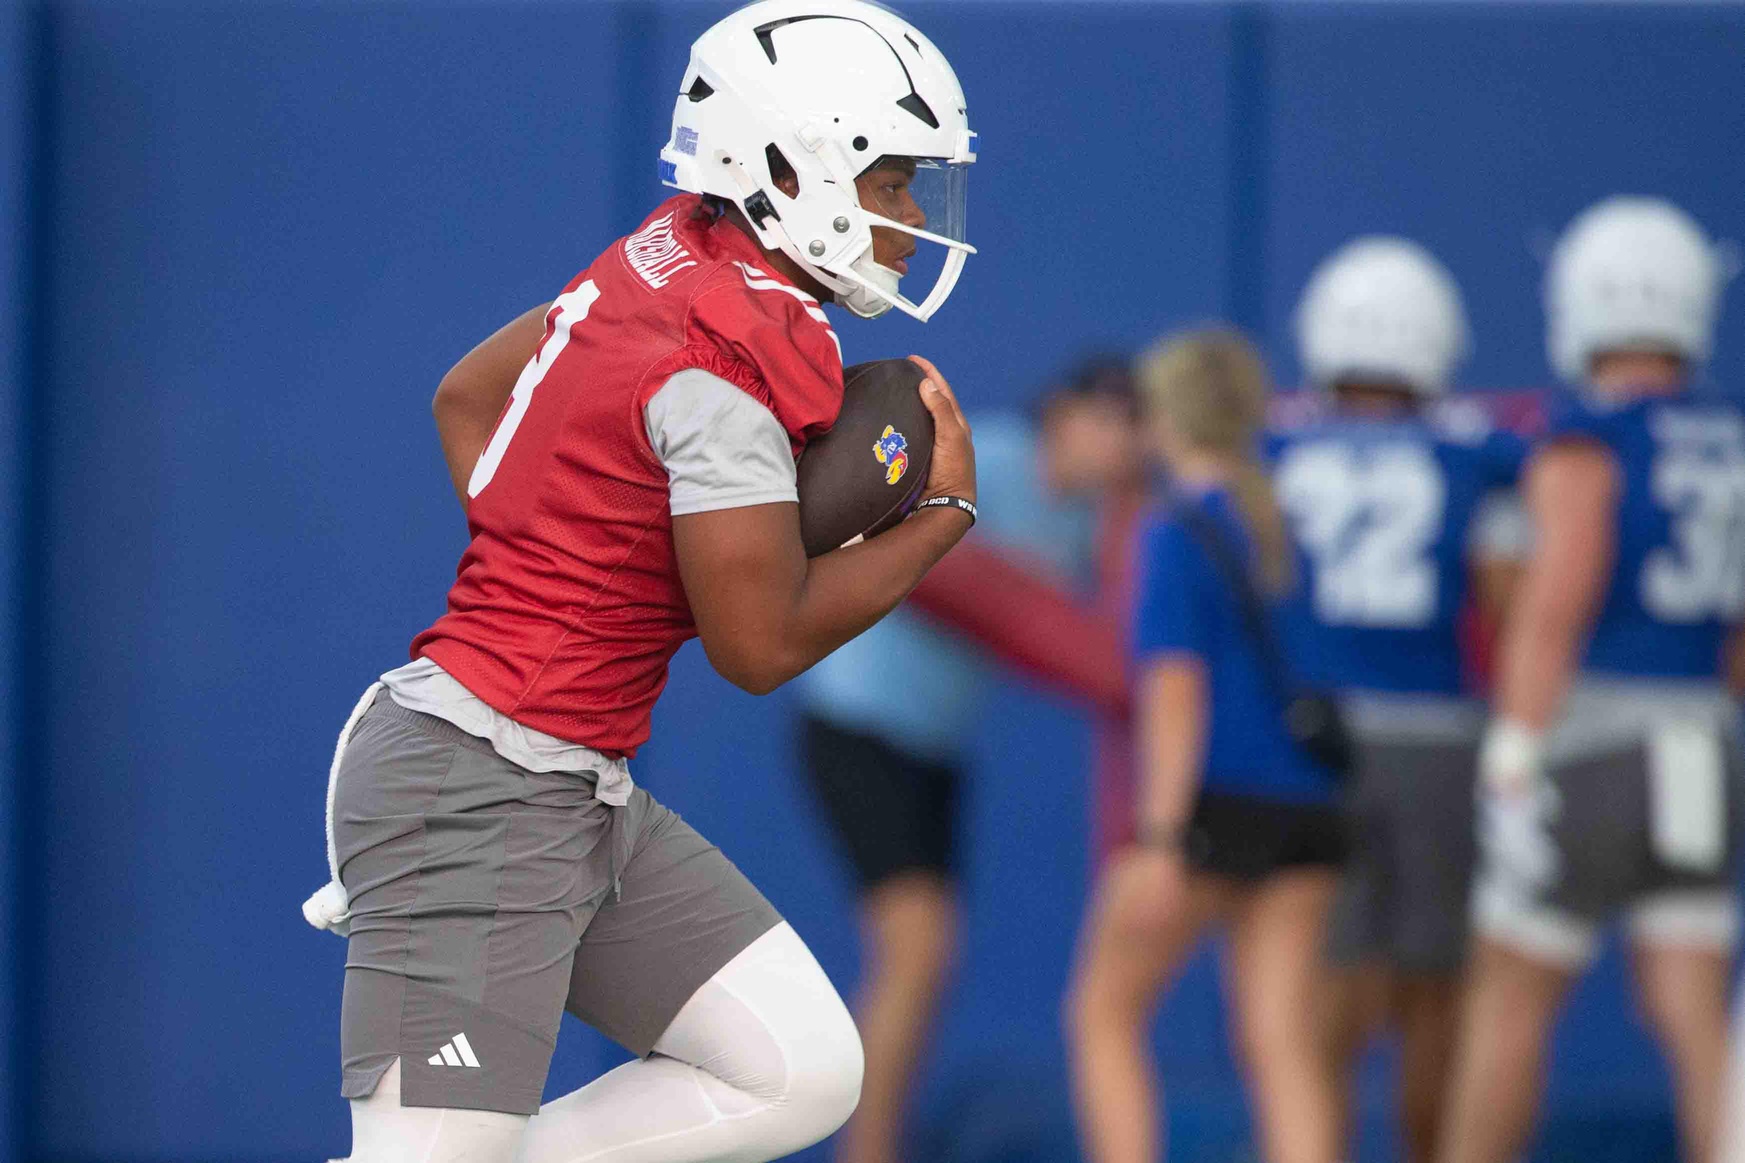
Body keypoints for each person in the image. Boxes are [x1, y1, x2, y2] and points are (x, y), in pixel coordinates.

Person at [298, 4, 981, 1160]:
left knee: (795, 1068)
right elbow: (755, 648)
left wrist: (579, 558)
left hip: (567, 780)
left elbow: (467, 398)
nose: (909, 220)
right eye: (892, 182)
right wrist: (941, 519)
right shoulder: (719, 371)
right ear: (785, 165)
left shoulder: (666, 259)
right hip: (478, 784)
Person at [1438, 196, 1745, 1163]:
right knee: (1695, 1017)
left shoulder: (1584, 440)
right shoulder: (1729, 440)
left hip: (1591, 743)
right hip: (1701, 743)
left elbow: (1558, 594)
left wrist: (1515, 747)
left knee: (1509, 1000)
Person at [1271, 237, 1527, 1163]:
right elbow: (1510, 599)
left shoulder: (1275, 443)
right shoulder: (1478, 455)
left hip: (1313, 743)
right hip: (1437, 742)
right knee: (1437, 984)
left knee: (1325, 981)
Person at [1064, 330, 1346, 1163]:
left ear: (1163, 420)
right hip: (1307, 807)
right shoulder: (1286, 521)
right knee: (1283, 1046)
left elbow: (1175, 690)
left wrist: (1158, 839)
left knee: (1103, 1015)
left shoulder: (1172, 530)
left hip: (1207, 814)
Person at [793, 409, 1080, 1163]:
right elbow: (898, 533)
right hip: (861, 724)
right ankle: (866, 1149)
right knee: (918, 946)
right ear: (1073, 414)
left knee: (927, 957)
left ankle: (871, 1142)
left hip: (936, 746)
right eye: (1113, 421)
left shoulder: (1093, 516)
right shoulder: (992, 452)